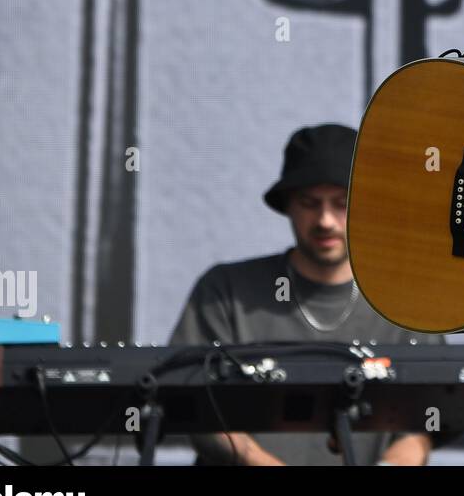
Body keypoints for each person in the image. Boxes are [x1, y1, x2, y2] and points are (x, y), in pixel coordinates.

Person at [169, 123, 446, 465]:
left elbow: (431, 414)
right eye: (310, 203)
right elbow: (190, 400)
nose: (325, 220)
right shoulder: (225, 291)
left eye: (342, 204)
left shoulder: (404, 302)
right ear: (288, 206)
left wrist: (401, 458)